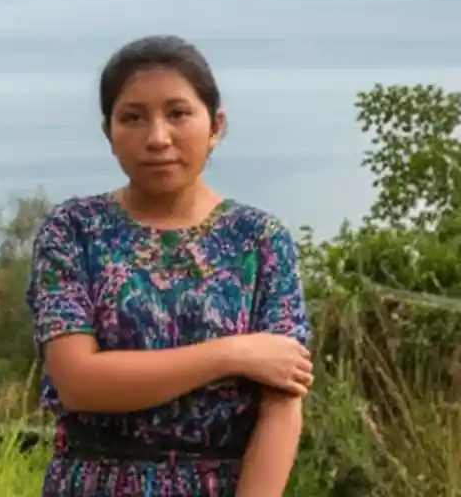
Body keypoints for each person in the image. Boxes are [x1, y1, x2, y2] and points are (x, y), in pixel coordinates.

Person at [26, 34, 313, 497]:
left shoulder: (259, 240)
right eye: (133, 117)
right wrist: (232, 353)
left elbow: (283, 397)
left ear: (215, 126)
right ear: (109, 133)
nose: (157, 138)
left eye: (178, 114)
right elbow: (79, 382)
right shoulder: (74, 230)